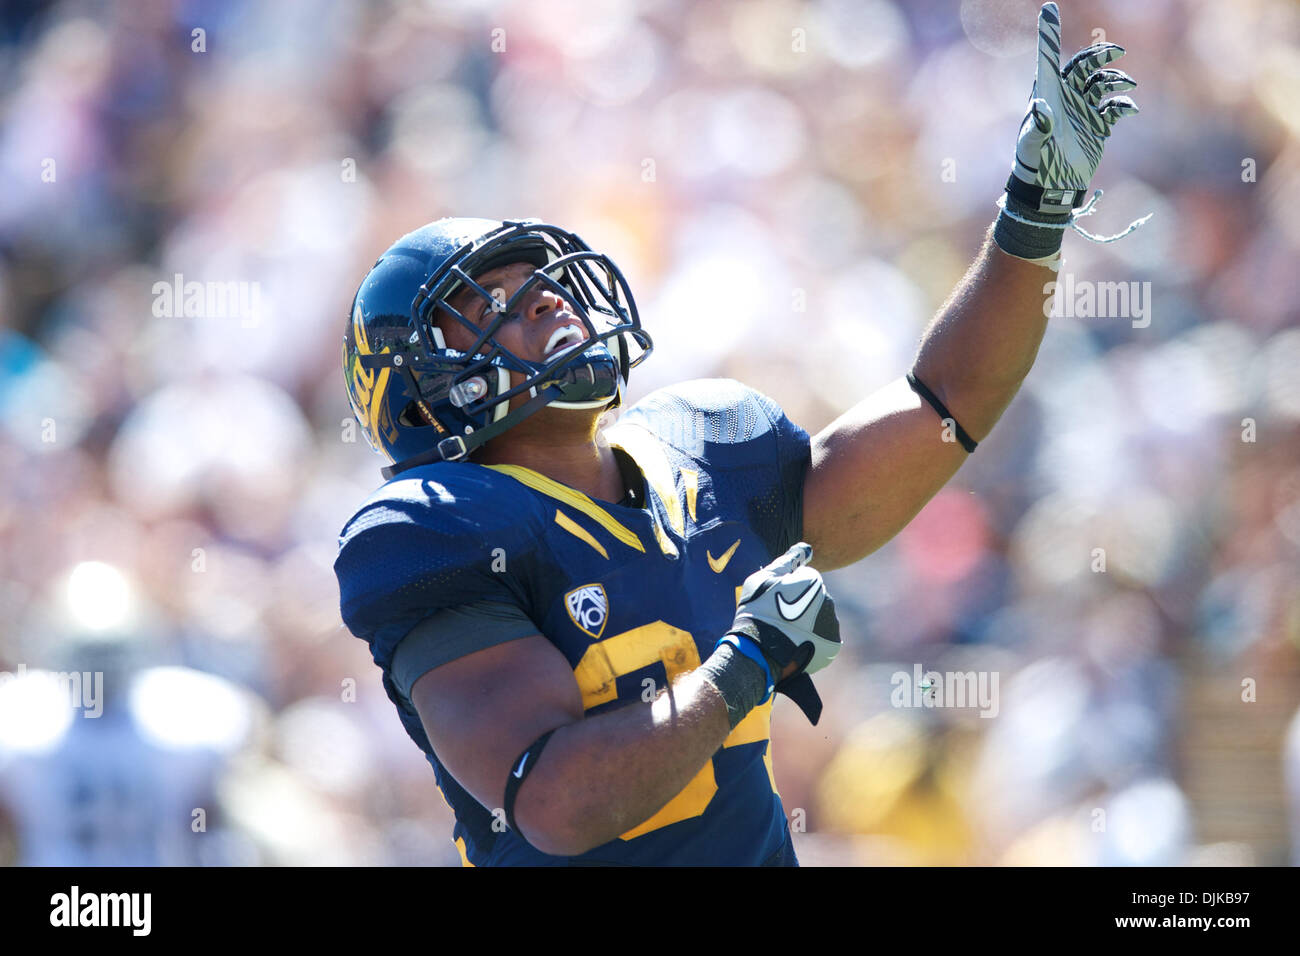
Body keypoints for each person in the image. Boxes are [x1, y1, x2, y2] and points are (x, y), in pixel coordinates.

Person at [334, 3, 1143, 865]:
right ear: (421, 396)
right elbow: (560, 800)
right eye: (488, 299)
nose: (541, 298)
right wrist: (745, 665)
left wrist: (1032, 215)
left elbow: (947, 405)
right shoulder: (432, 531)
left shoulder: (708, 442)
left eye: (541, 279)